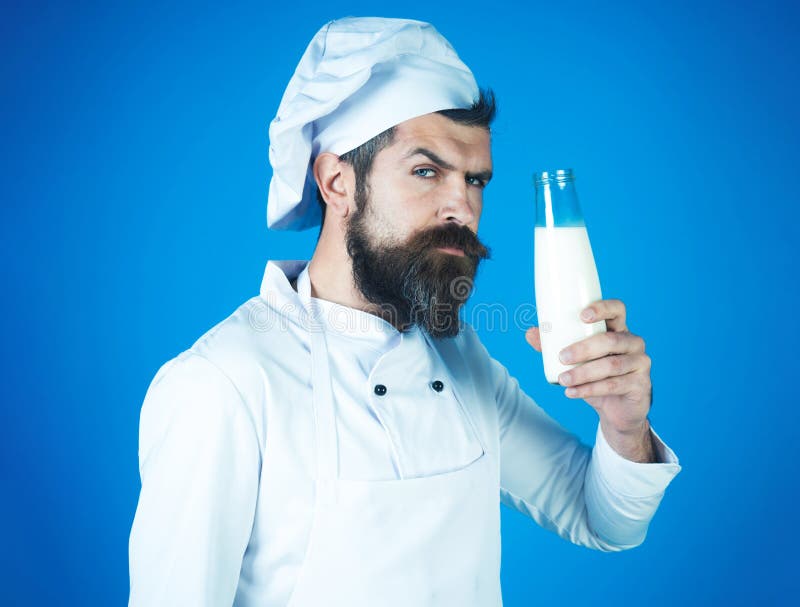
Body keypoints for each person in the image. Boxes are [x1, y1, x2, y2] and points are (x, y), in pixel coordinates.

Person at [128, 16, 681, 607]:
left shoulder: (457, 354)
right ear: (336, 181)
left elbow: (603, 520)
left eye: (475, 181)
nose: (462, 207)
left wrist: (624, 426)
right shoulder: (223, 384)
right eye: (426, 171)